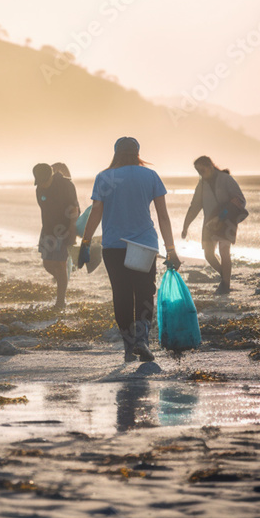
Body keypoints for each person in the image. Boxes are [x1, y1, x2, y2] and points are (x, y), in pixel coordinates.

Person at [79, 137, 181, 363]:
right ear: (137, 152)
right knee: (145, 292)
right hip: (144, 245)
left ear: (116, 152)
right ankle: (142, 339)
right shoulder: (151, 176)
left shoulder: (104, 177)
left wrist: (85, 243)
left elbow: (96, 212)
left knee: (122, 294)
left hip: (114, 245)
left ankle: (128, 346)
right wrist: (171, 248)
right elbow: (163, 216)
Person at [182, 156, 247, 295]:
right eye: (197, 171)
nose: (200, 173)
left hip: (227, 219)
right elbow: (195, 206)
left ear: (210, 166)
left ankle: (225, 285)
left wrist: (221, 216)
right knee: (208, 255)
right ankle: (225, 277)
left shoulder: (226, 179)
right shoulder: (201, 184)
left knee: (224, 251)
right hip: (209, 222)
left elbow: (241, 200)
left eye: (202, 169)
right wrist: (185, 226)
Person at [33, 163, 79, 309]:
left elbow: (74, 209)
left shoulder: (66, 185)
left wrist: (72, 232)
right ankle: (62, 278)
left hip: (64, 229)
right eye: (39, 182)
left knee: (60, 264)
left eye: (44, 181)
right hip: (48, 230)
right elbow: (44, 209)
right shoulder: (39, 188)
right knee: (47, 263)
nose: (42, 185)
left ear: (50, 176)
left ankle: (60, 301)